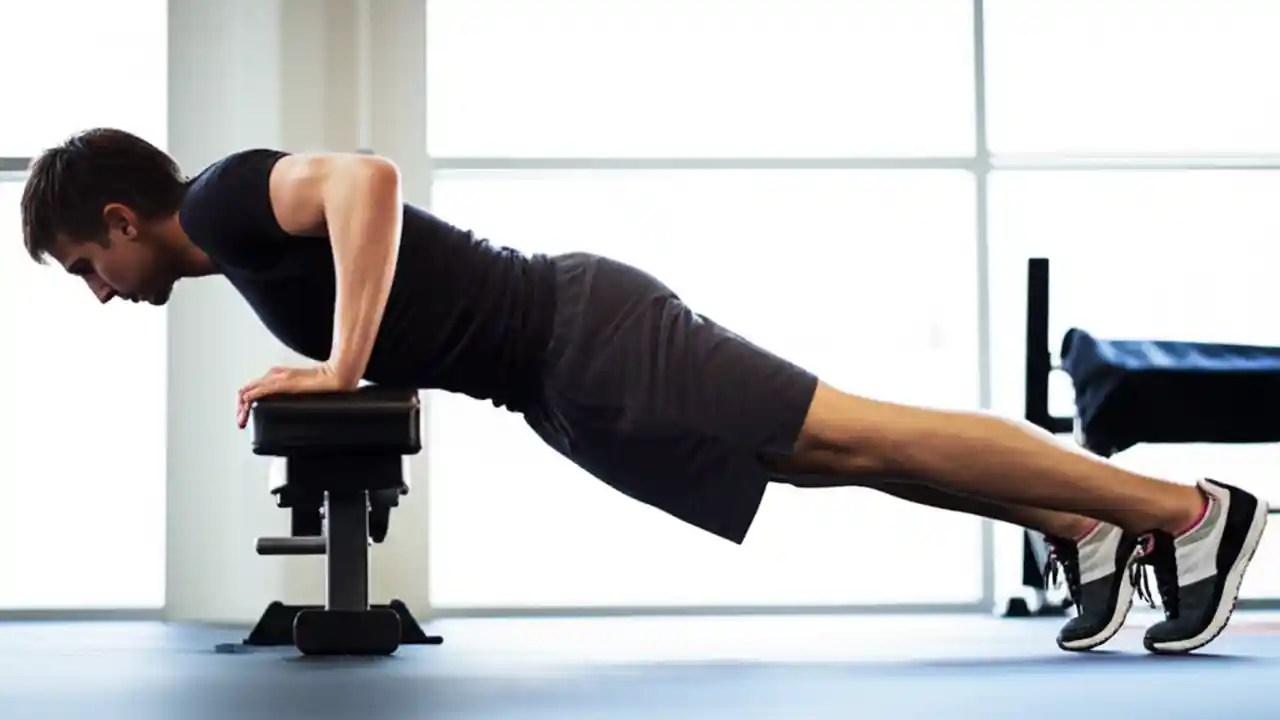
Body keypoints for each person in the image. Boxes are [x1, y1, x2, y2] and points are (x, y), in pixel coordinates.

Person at [18, 128, 1268, 655]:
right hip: (563, 378)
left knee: (857, 428)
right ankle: (1083, 525)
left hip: (584, 333)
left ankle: (1183, 511)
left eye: (87, 266)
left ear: (121, 219)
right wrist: (335, 357)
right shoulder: (232, 242)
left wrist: (342, 365)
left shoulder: (228, 199)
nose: (100, 289)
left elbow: (367, 179)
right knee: (845, 462)